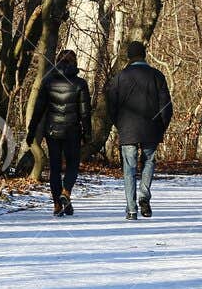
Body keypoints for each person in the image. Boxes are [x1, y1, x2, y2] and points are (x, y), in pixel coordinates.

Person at [105, 40, 173, 220]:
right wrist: (162, 126)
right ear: (144, 55)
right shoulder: (157, 76)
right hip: (152, 127)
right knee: (149, 161)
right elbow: (166, 106)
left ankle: (131, 209)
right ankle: (144, 195)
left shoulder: (120, 77)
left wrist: (119, 124)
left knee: (129, 167)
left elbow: (111, 106)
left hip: (127, 129)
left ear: (129, 57)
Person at [27, 49, 92, 217]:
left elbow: (39, 109)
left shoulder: (48, 82)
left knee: (55, 168)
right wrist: (87, 133)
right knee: (72, 164)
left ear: (57, 62)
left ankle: (57, 204)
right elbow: (85, 113)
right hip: (72, 131)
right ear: (74, 63)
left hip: (52, 130)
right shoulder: (80, 84)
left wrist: (31, 130)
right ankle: (66, 192)